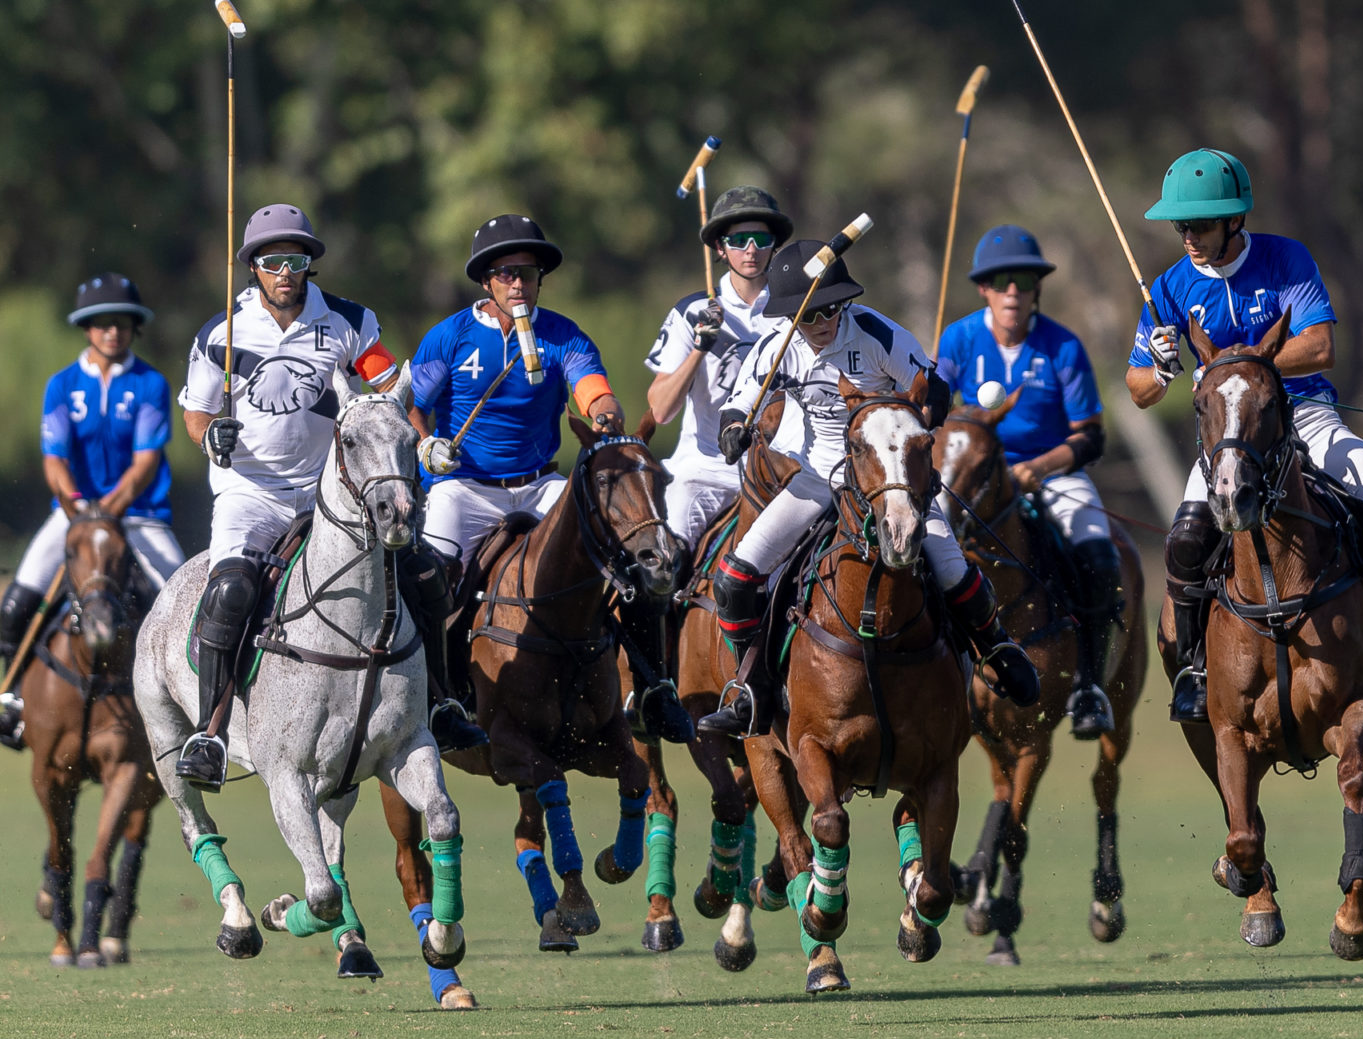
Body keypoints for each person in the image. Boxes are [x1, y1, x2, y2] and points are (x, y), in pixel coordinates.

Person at [1123, 148, 1363, 722]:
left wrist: (1237, 366)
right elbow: (1137, 389)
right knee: (1186, 541)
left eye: (1199, 225)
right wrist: (1161, 365)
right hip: (1229, 440)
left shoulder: (1285, 260)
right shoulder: (1169, 288)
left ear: (1234, 221)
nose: (1188, 237)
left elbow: (1321, 345)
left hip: (1307, 418)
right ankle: (1195, 670)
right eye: (1181, 226)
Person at [695, 239, 1041, 739]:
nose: (822, 323)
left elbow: (931, 385)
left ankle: (998, 649)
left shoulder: (877, 333)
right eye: (809, 315)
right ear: (792, 315)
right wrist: (732, 430)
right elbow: (738, 404)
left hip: (889, 476)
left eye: (832, 309)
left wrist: (928, 409)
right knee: (733, 581)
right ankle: (754, 689)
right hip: (817, 479)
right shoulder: (777, 346)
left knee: (950, 565)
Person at [407, 215, 695, 746]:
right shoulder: (447, 339)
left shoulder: (562, 335)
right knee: (430, 577)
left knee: (626, 557)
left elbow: (594, 390)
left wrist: (606, 414)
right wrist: (426, 445)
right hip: (464, 485)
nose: (519, 284)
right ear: (486, 281)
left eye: (529, 274)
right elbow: (413, 410)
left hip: (540, 483)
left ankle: (653, 689)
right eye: (508, 273)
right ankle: (440, 699)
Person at [174, 205, 421, 788]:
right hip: (249, 493)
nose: (286, 271)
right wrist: (211, 433)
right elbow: (195, 412)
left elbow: (387, 389)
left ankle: (440, 706)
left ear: (310, 265)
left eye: (298, 260)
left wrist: (421, 440)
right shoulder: (221, 332)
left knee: (419, 573)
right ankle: (210, 733)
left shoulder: (349, 321)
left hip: (329, 496)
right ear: (253, 267)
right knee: (231, 591)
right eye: (273, 261)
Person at [933, 224, 1124, 739]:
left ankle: (1088, 685)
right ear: (984, 289)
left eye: (1022, 280)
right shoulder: (959, 338)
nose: (1011, 291)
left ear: (1037, 287)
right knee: (921, 550)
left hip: (1049, 474)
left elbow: (1090, 437)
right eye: (1000, 281)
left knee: (1098, 551)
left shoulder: (1062, 347)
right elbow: (930, 409)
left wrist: (1037, 468)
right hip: (970, 479)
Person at [0, 273, 185, 750]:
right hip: (74, 516)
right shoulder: (61, 386)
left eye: (121, 323)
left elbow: (144, 463)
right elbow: (54, 460)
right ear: (86, 329)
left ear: (134, 328)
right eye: (100, 323)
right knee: (16, 602)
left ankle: (190, 705)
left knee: (184, 602)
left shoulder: (151, 384)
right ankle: (10, 701)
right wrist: (78, 509)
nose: (111, 331)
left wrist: (108, 510)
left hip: (139, 515)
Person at [643, 185, 791, 549]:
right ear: (720, 248)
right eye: (740, 239)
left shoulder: (796, 310)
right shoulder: (691, 312)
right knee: (667, 562)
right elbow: (661, 410)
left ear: (774, 245)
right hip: (704, 471)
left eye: (761, 238)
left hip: (782, 471)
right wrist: (699, 347)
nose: (751, 249)